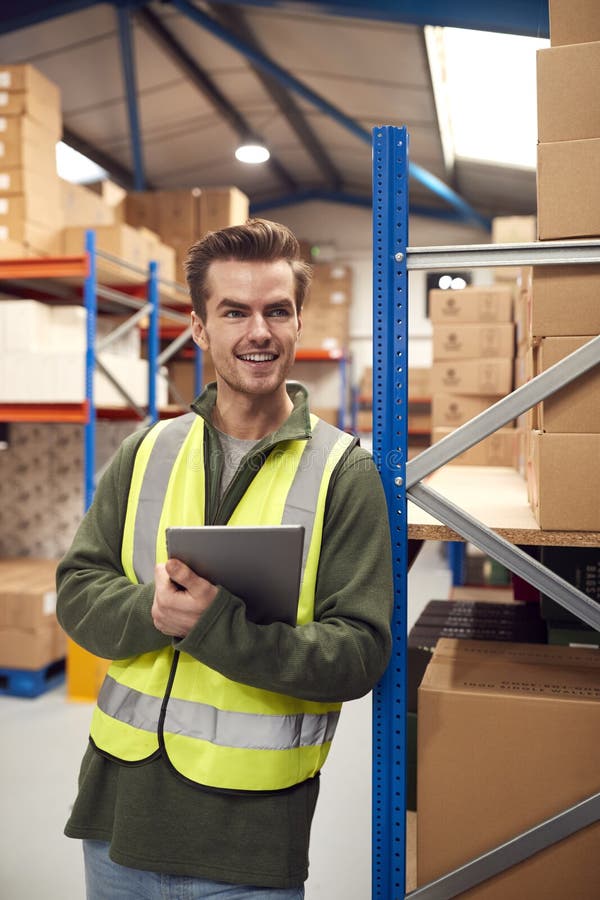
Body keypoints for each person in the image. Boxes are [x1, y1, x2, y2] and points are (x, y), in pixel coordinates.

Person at [56, 218, 394, 899]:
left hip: (247, 846)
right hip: (115, 824)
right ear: (202, 329)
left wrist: (215, 625)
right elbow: (77, 592)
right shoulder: (146, 452)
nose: (258, 332)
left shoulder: (344, 473)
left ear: (298, 322)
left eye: (277, 310)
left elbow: (358, 654)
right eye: (234, 312)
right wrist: (151, 607)